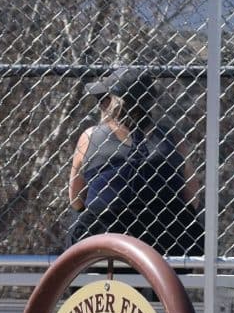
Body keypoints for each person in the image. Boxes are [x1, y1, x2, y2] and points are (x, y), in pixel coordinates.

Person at [66, 65, 203, 261]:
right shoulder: (172, 139)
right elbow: (192, 199)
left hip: (104, 243)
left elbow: (76, 200)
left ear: (114, 103)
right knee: (183, 216)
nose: (100, 106)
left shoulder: (90, 137)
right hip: (166, 242)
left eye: (103, 100)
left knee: (83, 216)